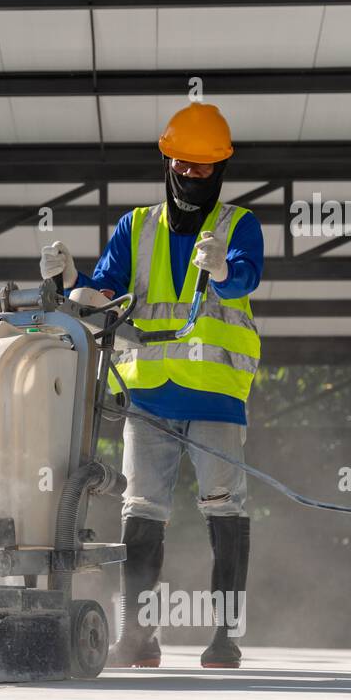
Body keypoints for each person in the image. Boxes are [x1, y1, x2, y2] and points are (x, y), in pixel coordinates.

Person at [40, 102, 263, 668]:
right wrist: (74, 283)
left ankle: (224, 637)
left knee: (225, 510)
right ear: (167, 162)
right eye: (183, 165)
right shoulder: (135, 226)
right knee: (141, 512)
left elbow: (246, 276)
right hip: (150, 397)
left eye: (203, 168)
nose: (192, 177)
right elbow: (106, 292)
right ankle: (137, 637)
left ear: (220, 170)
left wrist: (224, 270)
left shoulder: (239, 225)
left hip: (214, 393)